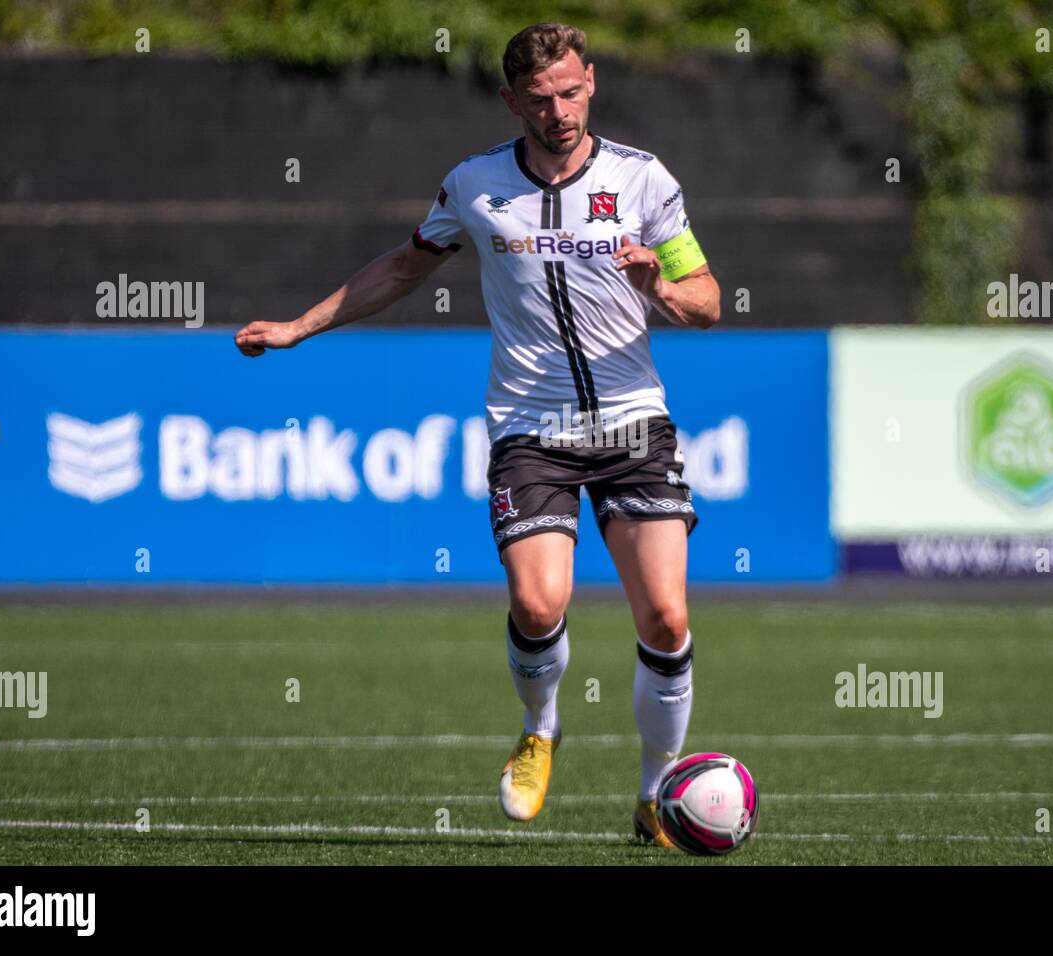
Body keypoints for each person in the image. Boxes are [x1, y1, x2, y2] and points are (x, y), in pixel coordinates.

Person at [234, 21, 720, 847]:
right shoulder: (476, 185)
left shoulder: (644, 180)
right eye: (540, 99)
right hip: (531, 427)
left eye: (570, 92)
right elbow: (403, 264)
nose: (559, 111)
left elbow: (706, 298)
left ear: (591, 82)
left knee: (667, 620)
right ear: (512, 101)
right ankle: (542, 727)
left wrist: (658, 287)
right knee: (538, 603)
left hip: (634, 421)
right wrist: (298, 327)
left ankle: (654, 795)